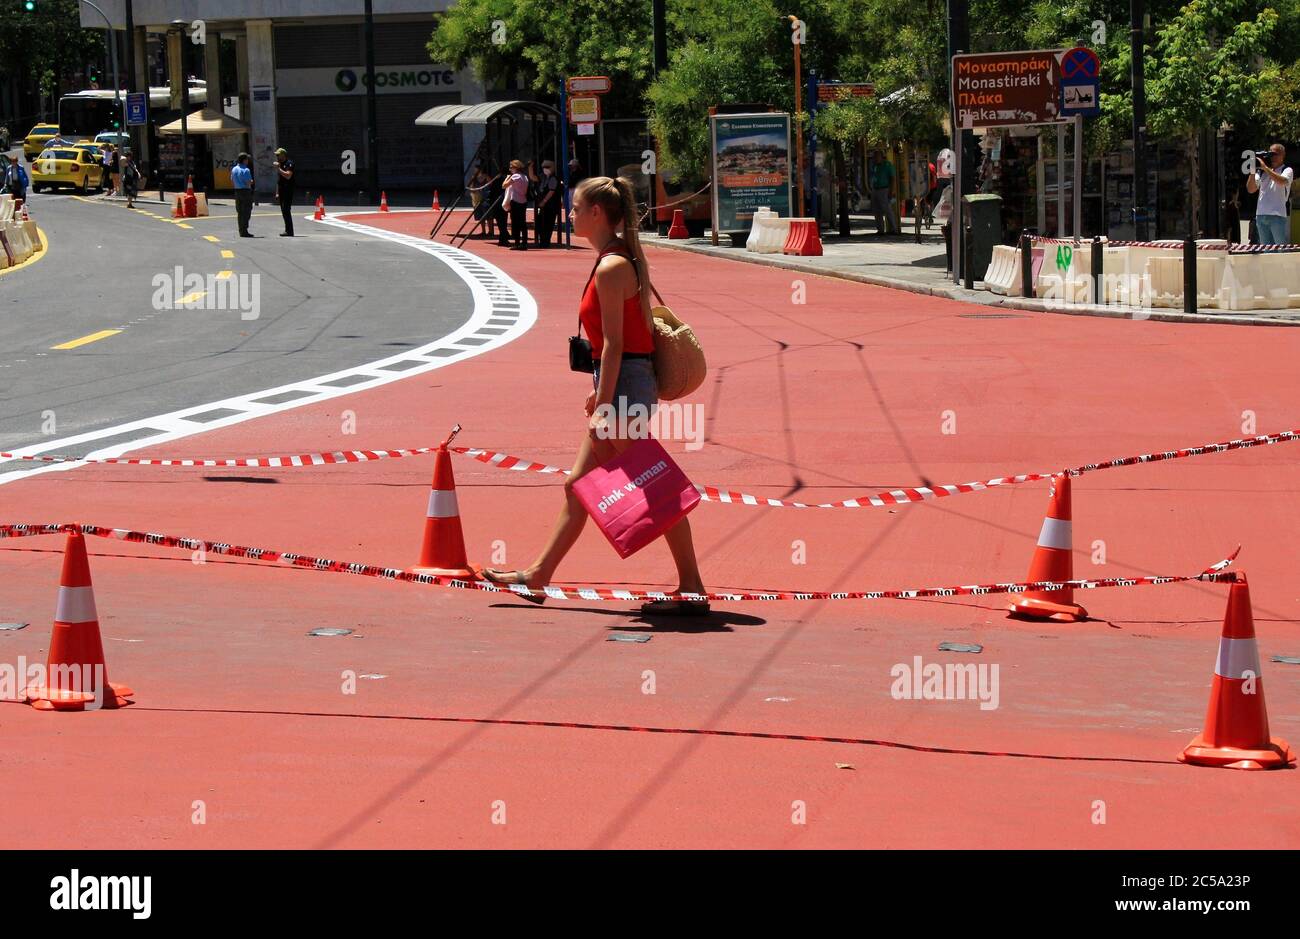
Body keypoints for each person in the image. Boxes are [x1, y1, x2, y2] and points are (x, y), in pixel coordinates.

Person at [480, 175, 709, 615]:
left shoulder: (612, 266)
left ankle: (693, 587)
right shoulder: (614, 258)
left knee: (657, 489)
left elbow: (617, 345)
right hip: (618, 382)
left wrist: (603, 400)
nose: (570, 213)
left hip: (623, 386)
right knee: (578, 485)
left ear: (597, 214)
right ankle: (538, 576)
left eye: (576, 207)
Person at [1246, 143, 1294, 246]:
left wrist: (1265, 168)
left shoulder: (1287, 170)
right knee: (1266, 251)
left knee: (1280, 249)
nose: (1273, 157)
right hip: (1261, 215)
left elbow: (1282, 181)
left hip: (1277, 215)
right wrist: (1252, 171)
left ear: (1283, 155)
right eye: (1271, 154)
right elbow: (1251, 189)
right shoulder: (1262, 172)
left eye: (1276, 154)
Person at [869, 149, 900, 235]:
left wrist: (892, 191)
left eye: (877, 156)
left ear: (881, 157)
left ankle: (894, 229)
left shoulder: (887, 165)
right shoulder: (875, 166)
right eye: (874, 157)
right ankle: (880, 230)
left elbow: (893, 178)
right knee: (877, 211)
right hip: (875, 189)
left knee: (887, 210)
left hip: (884, 189)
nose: (875, 158)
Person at [532, 159, 561, 247]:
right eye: (544, 167)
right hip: (543, 205)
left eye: (547, 167)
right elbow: (533, 177)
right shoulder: (542, 177)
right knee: (540, 222)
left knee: (548, 224)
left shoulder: (553, 178)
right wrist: (530, 168)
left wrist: (544, 201)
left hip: (550, 205)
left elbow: (551, 191)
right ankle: (542, 240)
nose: (545, 169)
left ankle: (546, 241)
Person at [502, 158, 529, 250]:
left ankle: (517, 243)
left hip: (515, 201)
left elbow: (504, 185)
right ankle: (524, 243)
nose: (510, 169)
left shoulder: (515, 176)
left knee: (515, 223)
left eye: (511, 167)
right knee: (522, 222)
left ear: (516, 168)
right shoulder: (525, 177)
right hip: (523, 201)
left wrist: (508, 177)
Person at [272, 146, 295, 237]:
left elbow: (288, 176)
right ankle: (287, 230)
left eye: (278, 155)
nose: (277, 157)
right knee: (283, 210)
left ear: (283, 155)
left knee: (286, 210)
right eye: (276, 155)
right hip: (282, 190)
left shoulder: (289, 163)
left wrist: (278, 169)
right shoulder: (280, 164)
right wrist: (277, 192)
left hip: (288, 190)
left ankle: (290, 231)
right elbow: (279, 180)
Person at [231, 152, 254, 237]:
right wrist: (251, 182)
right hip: (245, 191)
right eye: (247, 159)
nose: (248, 161)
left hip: (237, 191)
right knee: (247, 211)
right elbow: (248, 182)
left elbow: (232, 180)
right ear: (244, 160)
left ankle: (241, 230)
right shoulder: (246, 170)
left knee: (240, 211)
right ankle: (244, 230)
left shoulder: (234, 169)